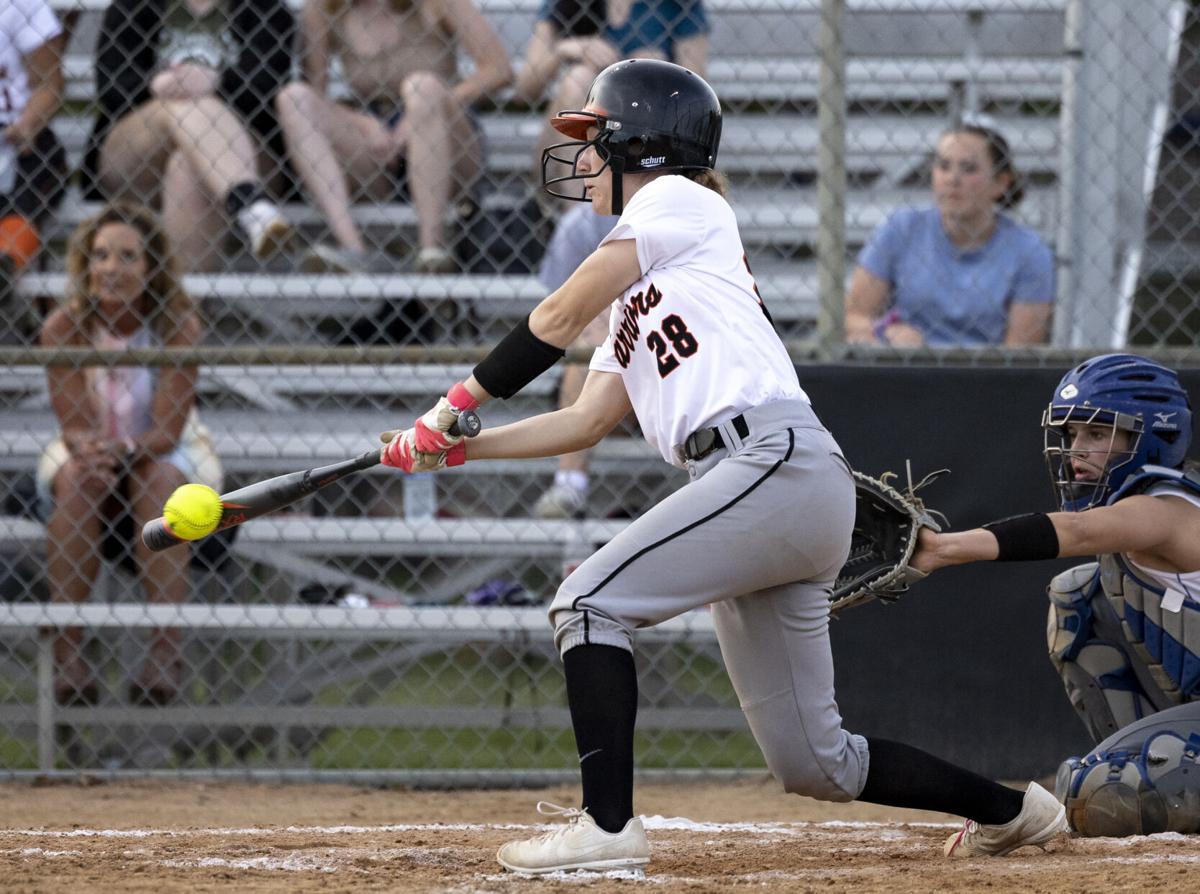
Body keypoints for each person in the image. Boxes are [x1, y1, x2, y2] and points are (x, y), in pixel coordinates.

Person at [380, 60, 1068, 873]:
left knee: (588, 602)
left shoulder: (679, 200)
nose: (587, 158)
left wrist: (453, 403)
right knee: (817, 763)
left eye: (598, 140)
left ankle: (605, 831)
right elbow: (584, 421)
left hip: (767, 460)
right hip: (765, 485)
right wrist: (460, 448)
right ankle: (1015, 809)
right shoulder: (642, 296)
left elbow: (555, 313)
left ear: (642, 143)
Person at [912, 353, 1200, 837]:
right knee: (1077, 596)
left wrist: (944, 548)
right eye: (1071, 435)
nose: (1076, 451)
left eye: (1097, 433)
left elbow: (1081, 532)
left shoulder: (1168, 509)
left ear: (1153, 435)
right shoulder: (1143, 505)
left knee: (1107, 793)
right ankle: (1146, 761)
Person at [38, 203, 223, 708]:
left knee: (159, 480)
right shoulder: (63, 327)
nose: (111, 269)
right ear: (85, 264)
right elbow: (72, 423)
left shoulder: (177, 326)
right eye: (100, 256)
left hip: (165, 449)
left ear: (152, 267)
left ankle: (165, 648)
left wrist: (122, 449)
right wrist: (92, 449)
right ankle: (68, 650)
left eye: (127, 257)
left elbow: (166, 430)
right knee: (77, 478)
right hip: (86, 450)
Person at [275, 0, 512, 275]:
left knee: (421, 87)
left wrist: (426, 105)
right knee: (294, 99)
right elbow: (317, 92)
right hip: (378, 140)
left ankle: (431, 251)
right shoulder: (324, 8)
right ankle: (353, 250)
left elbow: (498, 69)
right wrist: (362, 123)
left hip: (445, 132)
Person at [81, 0, 296, 273]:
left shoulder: (267, 9)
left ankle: (184, 311)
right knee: (184, 105)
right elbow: (112, 88)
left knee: (187, 166)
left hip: (243, 152)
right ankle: (249, 203)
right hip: (139, 150)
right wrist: (158, 86)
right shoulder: (131, 5)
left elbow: (267, 87)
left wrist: (216, 82)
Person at [844, 119, 1055, 348]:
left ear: (1001, 183)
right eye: (944, 166)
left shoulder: (1029, 252)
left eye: (969, 169)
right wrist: (886, 333)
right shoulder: (902, 228)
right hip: (907, 369)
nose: (953, 179)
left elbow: (1020, 352)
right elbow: (851, 317)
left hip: (985, 377)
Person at [513, 0, 709, 211]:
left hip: (641, 139)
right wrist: (564, 50)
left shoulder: (676, 5)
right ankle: (582, 217)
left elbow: (696, 101)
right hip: (573, 151)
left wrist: (657, 73)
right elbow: (524, 91)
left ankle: (626, 213)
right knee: (579, 79)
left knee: (643, 72)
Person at [533, 203, 618, 518]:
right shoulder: (581, 224)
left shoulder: (678, 215)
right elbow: (558, 318)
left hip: (656, 355)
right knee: (588, 348)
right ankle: (570, 482)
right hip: (603, 361)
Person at [0, 0, 67, 311]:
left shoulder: (19, 4)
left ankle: (4, 268)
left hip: (15, 136)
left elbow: (50, 84)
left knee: (25, 192)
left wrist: (28, 124)